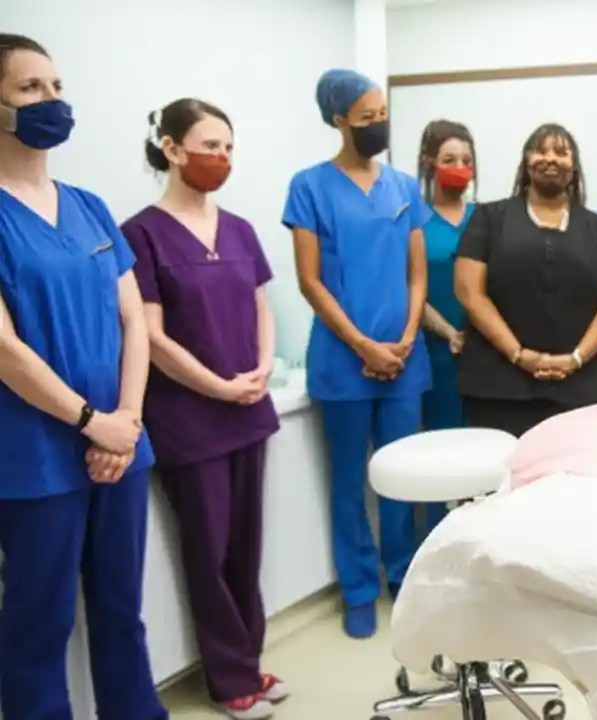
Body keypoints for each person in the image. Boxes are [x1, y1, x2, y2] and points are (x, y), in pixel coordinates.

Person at [0, 34, 167, 719]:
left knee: (121, 610)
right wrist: (92, 423)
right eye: (29, 88)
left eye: (57, 86)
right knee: (38, 625)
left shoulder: (90, 205)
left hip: (121, 443)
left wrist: (125, 421)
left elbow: (134, 320)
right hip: (36, 457)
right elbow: (4, 348)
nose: (51, 100)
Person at [121, 98, 287, 720]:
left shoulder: (238, 229)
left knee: (246, 549)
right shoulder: (141, 233)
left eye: (228, 147)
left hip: (248, 408)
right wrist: (218, 387)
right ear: (171, 149)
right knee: (210, 553)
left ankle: (249, 660)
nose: (222, 157)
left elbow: (262, 308)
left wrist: (261, 368)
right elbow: (151, 336)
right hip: (190, 421)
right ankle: (229, 679)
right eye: (209, 145)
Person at [284, 68, 430, 639]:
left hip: (404, 358)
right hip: (342, 361)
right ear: (339, 119)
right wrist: (364, 345)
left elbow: (416, 274)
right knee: (348, 483)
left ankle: (403, 575)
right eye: (367, 117)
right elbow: (309, 281)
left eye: (383, 114)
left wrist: (408, 335)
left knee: (400, 477)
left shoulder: (403, 188)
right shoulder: (309, 187)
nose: (379, 124)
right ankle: (359, 590)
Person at [455, 123, 597, 437]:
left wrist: (576, 359)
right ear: (526, 161)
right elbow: (470, 294)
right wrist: (518, 354)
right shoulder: (489, 220)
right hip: (499, 389)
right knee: (502, 467)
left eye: (561, 152)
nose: (550, 158)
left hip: (580, 390)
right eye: (541, 151)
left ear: (574, 166)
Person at [416, 118, 475, 537]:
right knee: (440, 458)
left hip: (484, 354)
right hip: (436, 353)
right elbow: (411, 291)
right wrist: (450, 333)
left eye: (466, 160)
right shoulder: (415, 221)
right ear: (429, 162)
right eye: (449, 159)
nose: (459, 168)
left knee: (483, 458)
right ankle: (437, 547)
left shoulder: (485, 218)